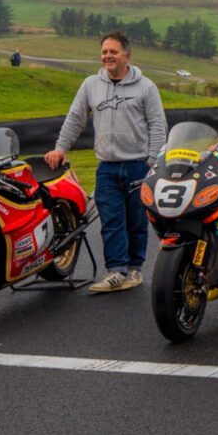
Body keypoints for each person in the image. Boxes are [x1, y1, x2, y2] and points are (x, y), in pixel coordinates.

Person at [45, 31, 168, 294]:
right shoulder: (91, 85)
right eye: (104, 52)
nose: (107, 56)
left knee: (136, 221)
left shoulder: (146, 87)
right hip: (107, 167)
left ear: (127, 55)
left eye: (113, 51)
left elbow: (158, 126)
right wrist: (60, 148)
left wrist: (152, 162)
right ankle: (116, 270)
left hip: (139, 166)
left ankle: (134, 269)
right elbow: (75, 119)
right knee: (111, 221)